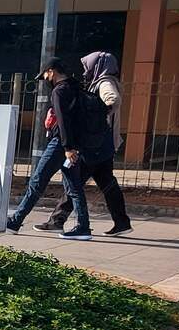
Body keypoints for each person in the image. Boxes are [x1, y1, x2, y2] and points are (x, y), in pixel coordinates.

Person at [34, 51, 132, 237]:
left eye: (89, 66)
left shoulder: (105, 83)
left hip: (95, 143)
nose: (86, 71)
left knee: (74, 182)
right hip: (102, 144)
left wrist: (97, 116)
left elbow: (113, 100)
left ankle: (59, 221)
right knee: (107, 184)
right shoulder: (105, 81)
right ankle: (121, 222)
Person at [5, 55, 102, 240]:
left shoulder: (59, 91)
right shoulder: (76, 87)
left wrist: (67, 147)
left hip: (61, 144)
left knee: (37, 182)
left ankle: (15, 221)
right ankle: (83, 227)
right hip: (76, 144)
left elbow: (63, 121)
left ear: (52, 71)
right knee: (74, 186)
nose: (45, 80)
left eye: (46, 75)